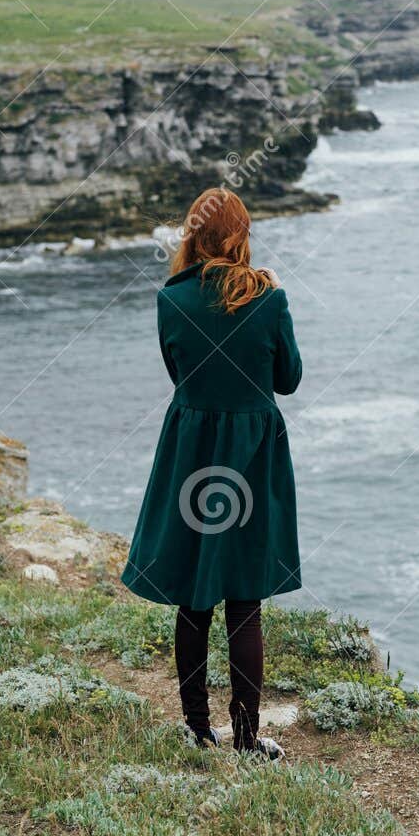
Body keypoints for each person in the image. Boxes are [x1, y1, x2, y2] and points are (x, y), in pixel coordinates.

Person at [121, 187, 302, 759]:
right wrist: (274, 296)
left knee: (195, 597)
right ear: (240, 236)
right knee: (244, 601)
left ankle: (198, 730)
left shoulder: (170, 299)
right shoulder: (267, 298)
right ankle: (247, 740)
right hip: (253, 456)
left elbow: (179, 372)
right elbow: (289, 379)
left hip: (192, 451)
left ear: (193, 235)